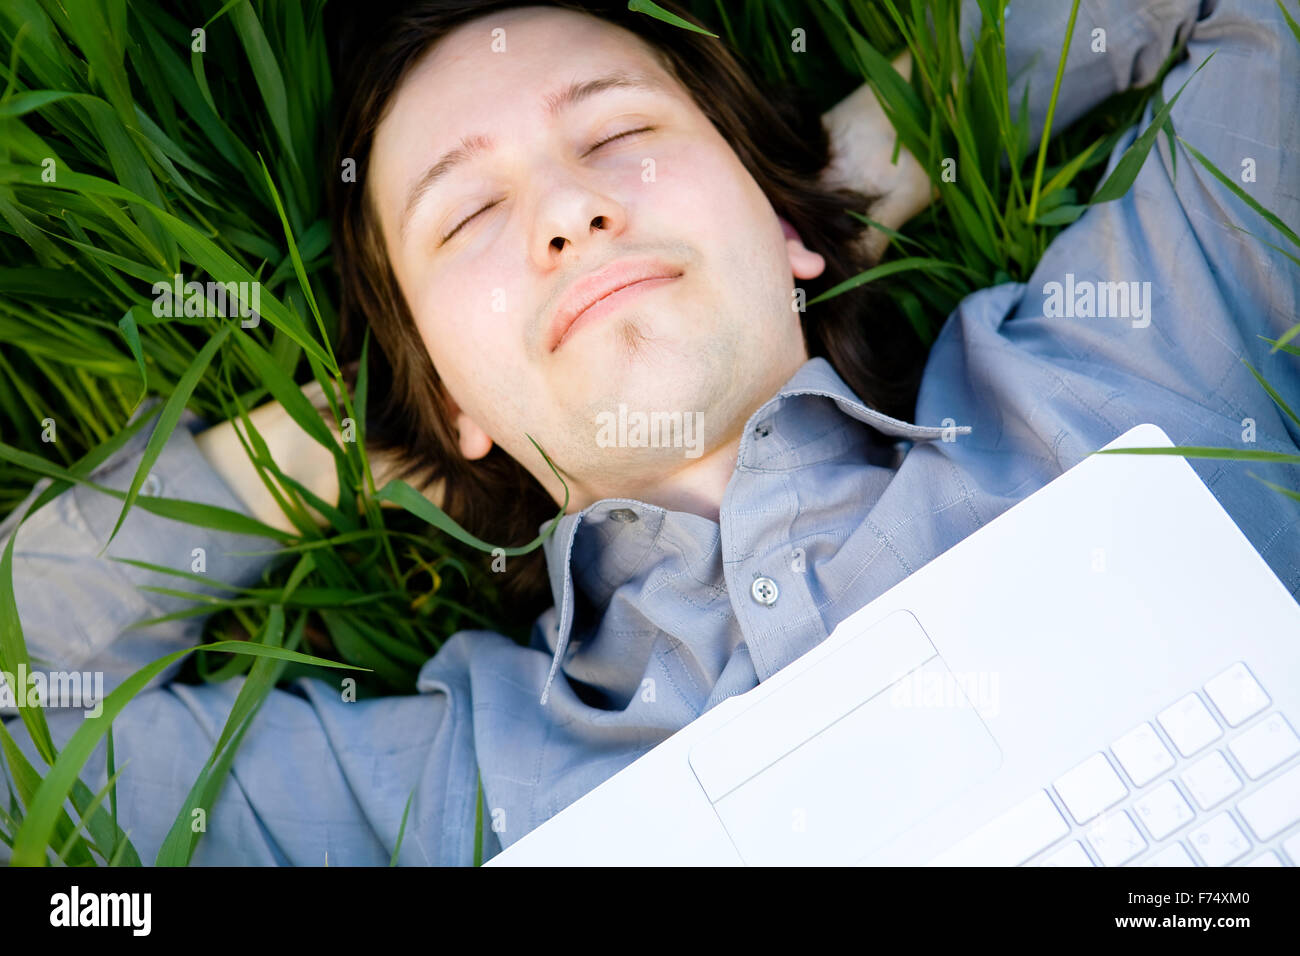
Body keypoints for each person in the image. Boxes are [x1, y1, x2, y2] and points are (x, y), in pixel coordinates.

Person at [2, 0, 1297, 866]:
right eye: (466, 221)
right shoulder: (451, 795)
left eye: (622, 132)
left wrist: (882, 154)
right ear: (453, 399)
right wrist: (348, 439)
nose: (567, 209)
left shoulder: (1117, 373)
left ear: (783, 218)